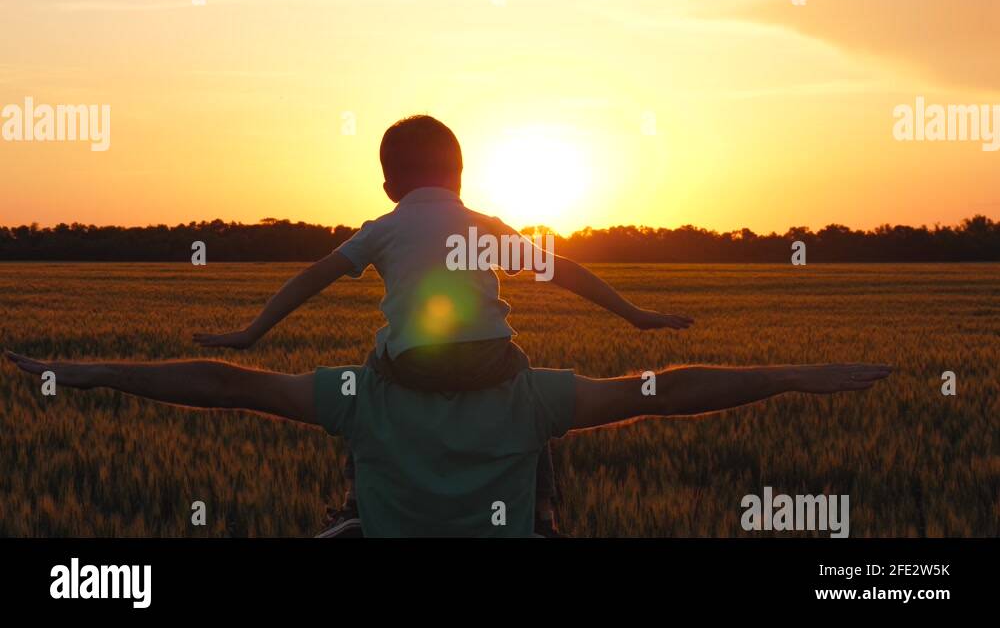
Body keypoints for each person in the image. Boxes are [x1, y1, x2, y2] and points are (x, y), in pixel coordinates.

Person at [192, 115, 693, 536]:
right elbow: (561, 269)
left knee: (365, 387)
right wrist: (634, 314)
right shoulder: (485, 225)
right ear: (459, 178)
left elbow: (311, 279)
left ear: (389, 186)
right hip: (490, 362)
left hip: (413, 365)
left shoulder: (382, 229)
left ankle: (355, 501)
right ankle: (541, 510)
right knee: (528, 396)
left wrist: (252, 331)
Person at [5, 350, 891, 537]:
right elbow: (664, 393)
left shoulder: (356, 394)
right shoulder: (532, 396)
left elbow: (225, 384)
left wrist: (88, 373)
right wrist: (791, 374)